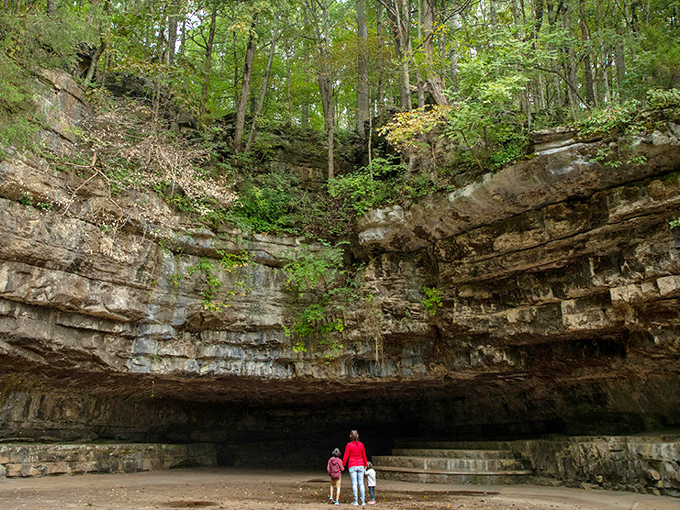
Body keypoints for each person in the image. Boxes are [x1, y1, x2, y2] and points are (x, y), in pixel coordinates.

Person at [342, 429, 368, 506]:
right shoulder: (361, 445)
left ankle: (355, 501)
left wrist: (342, 465)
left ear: (350, 436)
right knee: (361, 483)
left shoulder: (348, 445)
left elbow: (346, 456)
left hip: (352, 465)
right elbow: (364, 455)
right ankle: (363, 501)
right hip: (360, 465)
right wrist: (365, 464)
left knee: (354, 483)